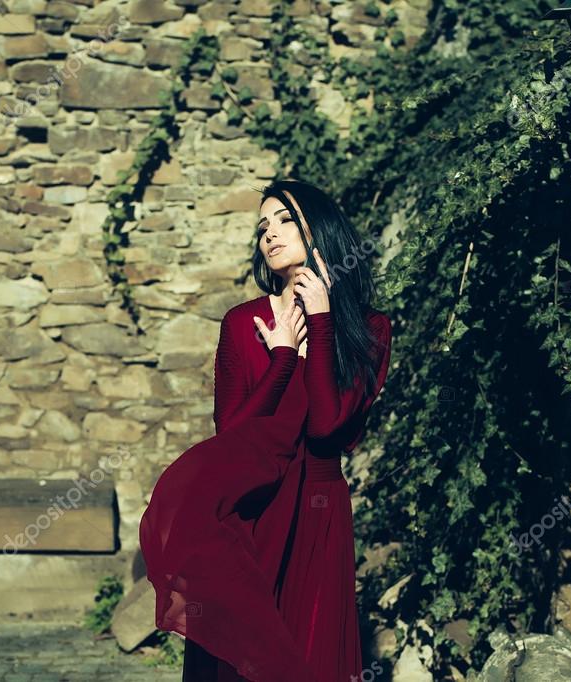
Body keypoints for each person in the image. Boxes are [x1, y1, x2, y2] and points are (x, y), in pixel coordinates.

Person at [139, 179, 393, 682]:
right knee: (243, 663)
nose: (269, 234)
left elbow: (326, 426)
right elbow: (232, 433)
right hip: (251, 513)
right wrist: (280, 358)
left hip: (318, 516)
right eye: (263, 226)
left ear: (319, 230)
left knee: (308, 658)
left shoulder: (371, 328)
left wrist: (319, 322)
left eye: (284, 220)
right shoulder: (242, 322)